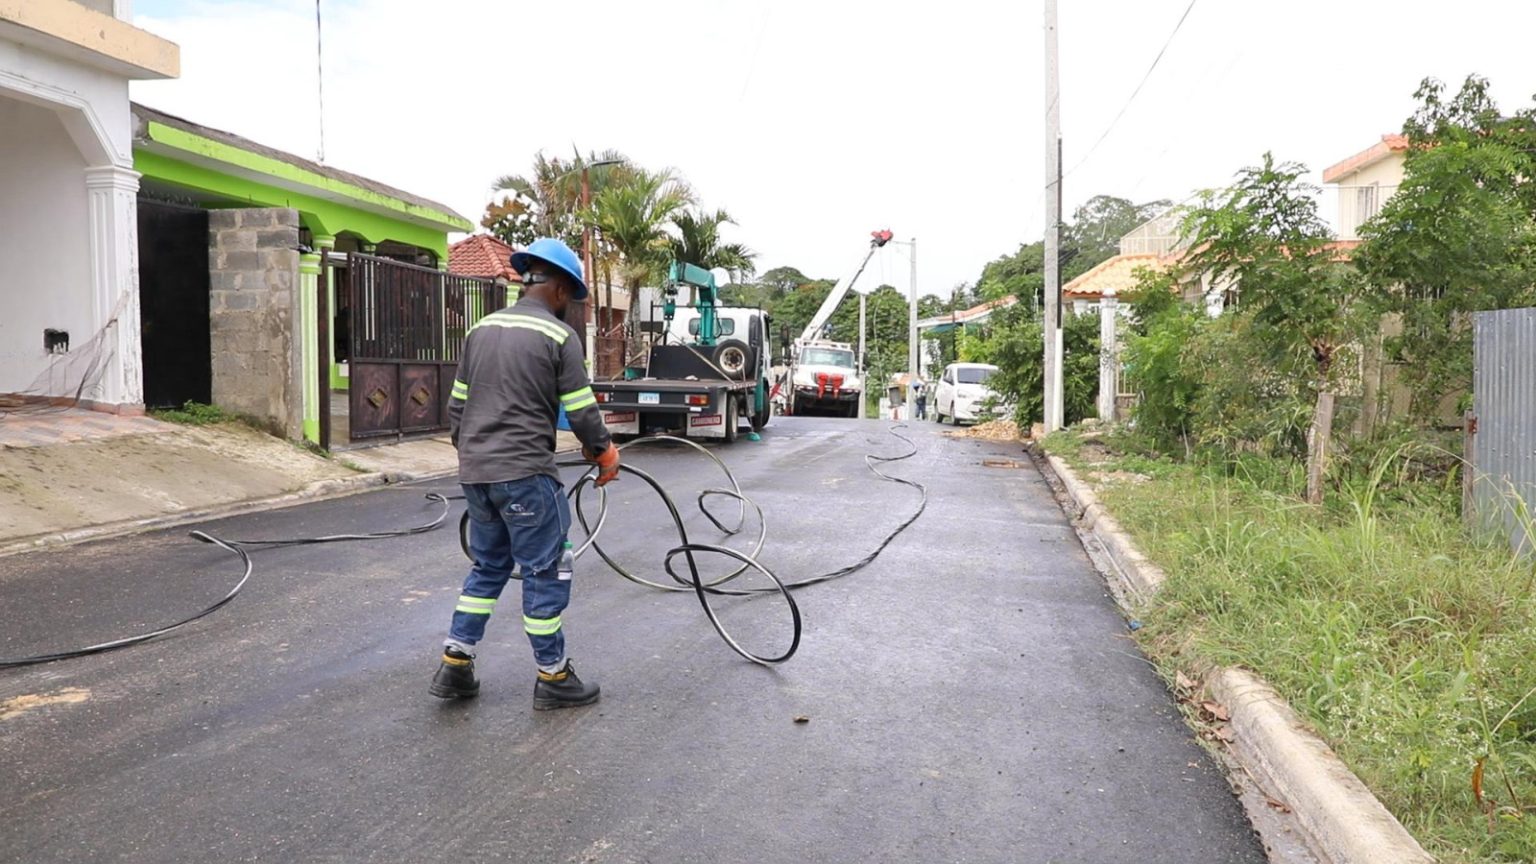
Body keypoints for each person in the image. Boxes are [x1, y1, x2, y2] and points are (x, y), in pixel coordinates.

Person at [429, 237, 620, 710]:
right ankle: (553, 676)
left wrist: (477, 457)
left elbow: (457, 406)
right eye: (569, 299)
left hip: (477, 474)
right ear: (558, 289)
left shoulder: (480, 330)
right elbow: (580, 409)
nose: (569, 308)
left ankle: (456, 663)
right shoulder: (558, 337)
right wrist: (604, 453)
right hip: (527, 475)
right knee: (546, 569)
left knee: (488, 566)